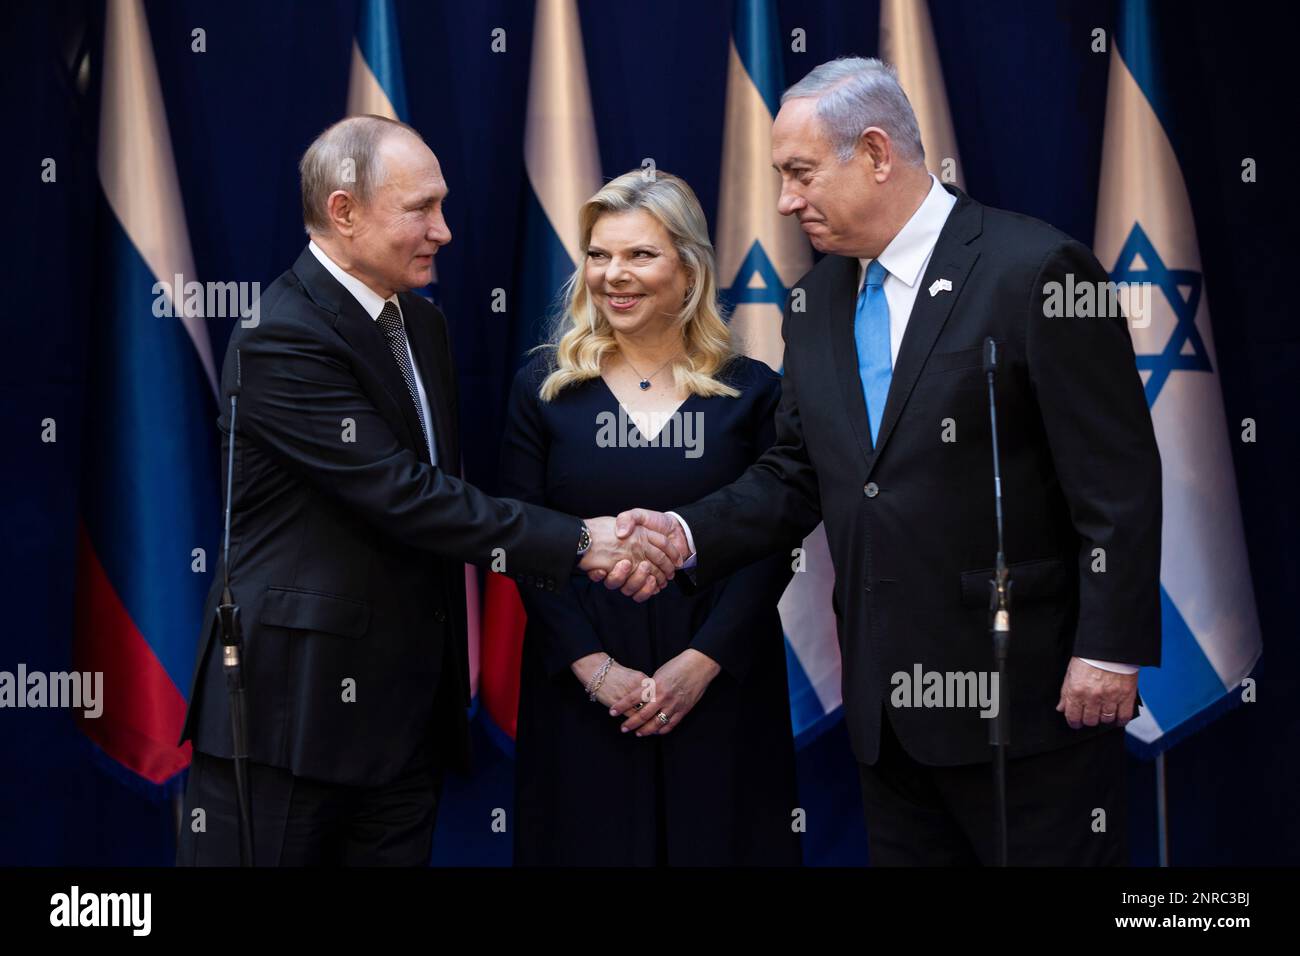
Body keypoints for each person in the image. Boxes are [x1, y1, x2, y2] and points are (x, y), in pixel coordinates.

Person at [607, 58, 1162, 866]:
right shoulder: (818, 300)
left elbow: (1117, 479)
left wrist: (1108, 651)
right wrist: (686, 534)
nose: (786, 201)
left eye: (799, 174)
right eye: (779, 177)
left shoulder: (1035, 271)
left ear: (874, 153)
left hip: (1028, 699)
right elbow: (799, 472)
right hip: (886, 714)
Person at [176, 116, 680, 866]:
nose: (443, 231)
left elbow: (442, 493)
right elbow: (406, 496)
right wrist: (582, 540)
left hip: (405, 723)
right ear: (344, 211)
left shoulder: (420, 323)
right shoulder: (282, 336)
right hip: (294, 721)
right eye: (421, 209)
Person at [501, 171, 801, 865]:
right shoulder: (543, 390)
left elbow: (772, 542)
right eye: (599, 255)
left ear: (689, 268)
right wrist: (594, 670)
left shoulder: (754, 391)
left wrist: (700, 666)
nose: (615, 275)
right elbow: (520, 542)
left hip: (721, 683)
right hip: (580, 687)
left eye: (640, 255)